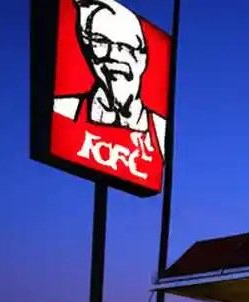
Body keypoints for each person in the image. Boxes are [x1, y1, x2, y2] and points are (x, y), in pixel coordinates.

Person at [52, 0, 166, 184]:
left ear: (142, 58)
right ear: (87, 50)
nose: (113, 55)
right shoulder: (63, 111)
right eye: (100, 42)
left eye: (125, 47)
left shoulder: (161, 132)